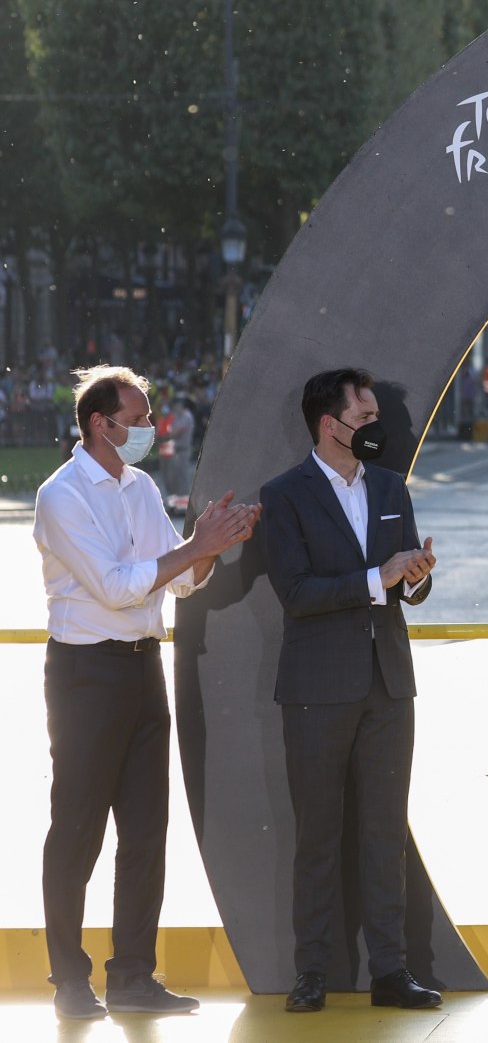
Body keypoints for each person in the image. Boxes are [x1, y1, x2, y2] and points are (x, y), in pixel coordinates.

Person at [33, 365, 258, 1020]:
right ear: (99, 424)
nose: (147, 428)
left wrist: (210, 546)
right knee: (76, 832)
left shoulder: (141, 488)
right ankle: (69, 980)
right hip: (84, 678)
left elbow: (180, 583)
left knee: (145, 831)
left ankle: (132, 976)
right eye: (135, 419)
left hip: (141, 670)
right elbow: (115, 585)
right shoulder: (61, 495)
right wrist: (195, 546)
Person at [260, 369, 440, 1013]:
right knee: (318, 835)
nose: (372, 430)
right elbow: (297, 593)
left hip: (388, 686)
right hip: (316, 691)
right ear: (327, 424)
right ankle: (311, 971)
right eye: (362, 420)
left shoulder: (391, 486)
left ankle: (390, 971)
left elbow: (404, 585)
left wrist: (416, 575)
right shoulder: (284, 495)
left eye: (372, 419)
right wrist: (376, 577)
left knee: (385, 833)